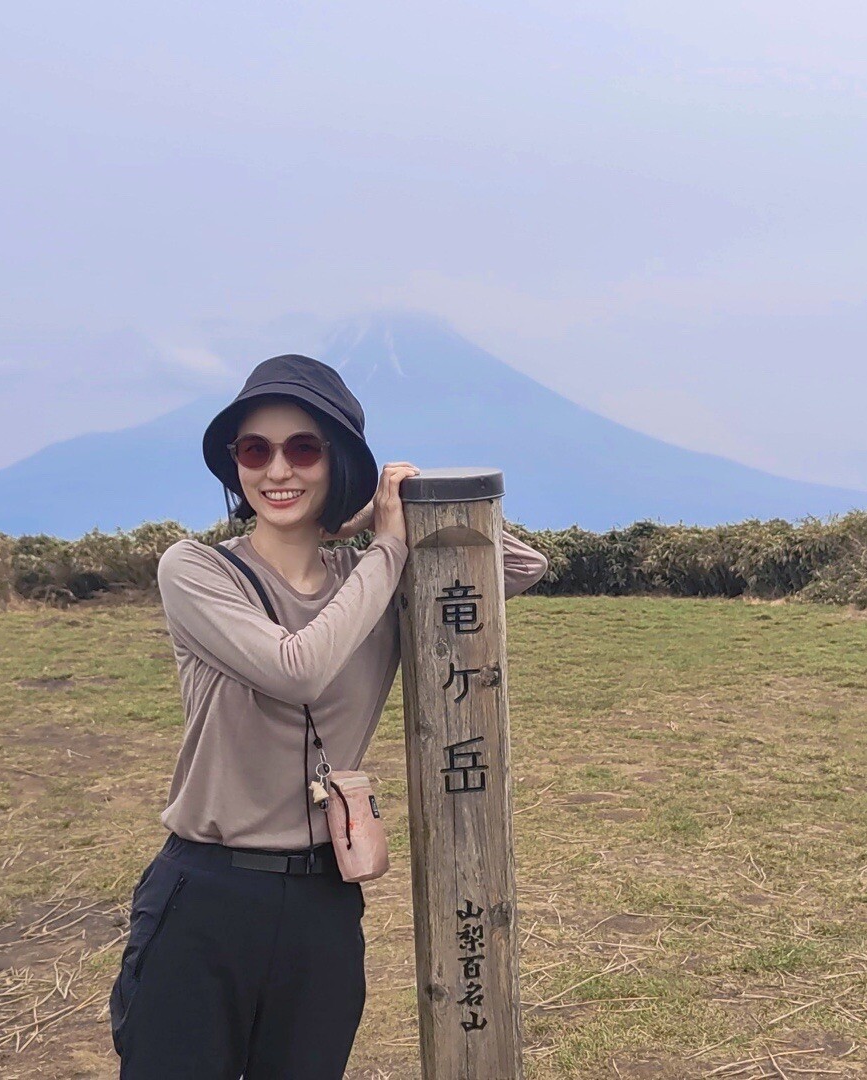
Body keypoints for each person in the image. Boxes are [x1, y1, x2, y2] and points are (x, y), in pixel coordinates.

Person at [108, 353, 550, 1079]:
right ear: (235, 466)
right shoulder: (197, 570)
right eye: (255, 450)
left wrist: (391, 510)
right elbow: (297, 668)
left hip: (323, 899)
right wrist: (389, 545)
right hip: (206, 896)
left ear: (336, 461)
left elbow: (522, 567)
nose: (278, 470)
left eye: (304, 449)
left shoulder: (364, 577)